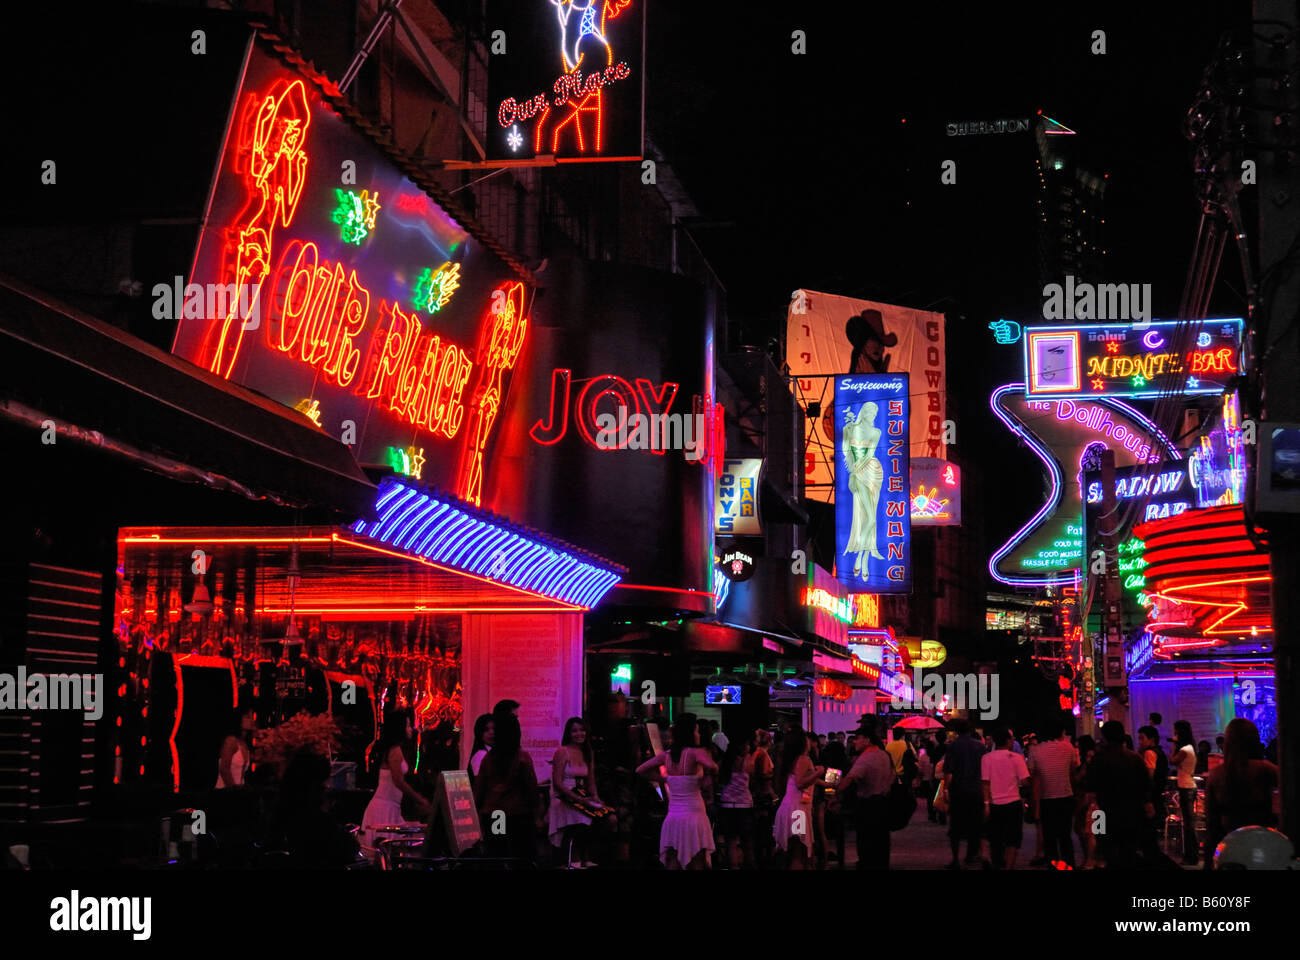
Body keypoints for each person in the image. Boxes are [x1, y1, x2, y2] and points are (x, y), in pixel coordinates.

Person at [637, 713, 716, 869]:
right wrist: (705, 777)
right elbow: (713, 766)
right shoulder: (696, 753)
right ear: (691, 732)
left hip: (674, 815)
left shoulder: (666, 755)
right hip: (695, 814)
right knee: (697, 859)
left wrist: (667, 779)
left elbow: (640, 770)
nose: (698, 734)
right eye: (697, 731)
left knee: (673, 859)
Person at [1203, 717, 1279, 870]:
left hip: (1229, 847)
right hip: (1264, 844)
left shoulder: (1217, 774)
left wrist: (1209, 859)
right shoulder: (1268, 770)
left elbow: (1212, 822)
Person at [268, 747, 360, 867]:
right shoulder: (315, 819)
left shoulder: (277, 813)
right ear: (315, 786)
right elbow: (350, 847)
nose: (327, 788)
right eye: (324, 784)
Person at [361, 709, 431, 860]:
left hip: (389, 805)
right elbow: (398, 781)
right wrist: (419, 798)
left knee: (386, 853)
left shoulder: (394, 749)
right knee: (386, 853)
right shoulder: (395, 751)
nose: (411, 729)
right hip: (384, 807)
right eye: (407, 725)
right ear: (399, 728)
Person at [474, 711, 540, 865]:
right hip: (518, 814)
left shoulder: (488, 758)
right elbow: (531, 788)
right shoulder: (522, 757)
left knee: (498, 854)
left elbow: (479, 790)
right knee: (521, 856)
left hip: (495, 813)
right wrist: (537, 815)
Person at [1085, 721, 1149, 870]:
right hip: (1132, 812)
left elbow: (1091, 791)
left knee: (1107, 850)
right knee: (1128, 851)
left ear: (1105, 737)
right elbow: (1145, 785)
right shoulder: (1135, 758)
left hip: (1103, 812)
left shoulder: (1098, 759)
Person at [549, 717, 609, 868]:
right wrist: (578, 799)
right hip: (564, 797)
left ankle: (585, 855)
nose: (579, 734)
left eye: (582, 730)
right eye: (574, 731)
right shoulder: (562, 751)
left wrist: (595, 797)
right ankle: (574, 858)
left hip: (583, 796)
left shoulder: (588, 752)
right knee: (583, 818)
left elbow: (591, 781)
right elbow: (557, 782)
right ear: (568, 733)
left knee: (609, 817)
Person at [838, 727, 893, 869]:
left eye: (858, 738)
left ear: (867, 740)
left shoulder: (866, 758)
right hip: (883, 802)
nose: (854, 741)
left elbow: (849, 778)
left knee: (866, 842)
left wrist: (835, 793)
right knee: (881, 842)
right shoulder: (884, 755)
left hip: (868, 805)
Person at [773, 723, 824, 869]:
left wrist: (824, 782)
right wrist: (818, 772)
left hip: (789, 808)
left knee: (792, 851)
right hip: (798, 812)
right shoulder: (803, 759)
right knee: (798, 852)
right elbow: (800, 782)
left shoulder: (791, 760)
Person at [1030, 722, 1078, 868]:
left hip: (1046, 799)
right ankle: (1069, 864)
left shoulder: (1035, 751)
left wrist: (1035, 807)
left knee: (1049, 837)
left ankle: (1054, 864)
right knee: (1065, 836)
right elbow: (1072, 770)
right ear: (1060, 732)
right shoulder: (1068, 748)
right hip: (1065, 796)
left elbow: (1034, 777)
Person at [982, 727, 1031, 870]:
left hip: (994, 803)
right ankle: (1009, 866)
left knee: (995, 839)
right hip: (1013, 803)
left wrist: (986, 804)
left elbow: (985, 783)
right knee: (1012, 840)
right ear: (1008, 741)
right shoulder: (1017, 758)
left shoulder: (986, 758)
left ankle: (997, 864)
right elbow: (1025, 781)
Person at [943, 719, 986, 869]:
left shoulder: (953, 746)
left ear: (956, 731)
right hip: (976, 790)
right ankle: (970, 855)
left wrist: (945, 790)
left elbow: (948, 770)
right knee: (975, 824)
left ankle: (955, 858)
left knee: (955, 826)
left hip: (958, 790)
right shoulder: (980, 746)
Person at [716, 736, 755, 869]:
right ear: (742, 747)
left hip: (727, 804)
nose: (749, 747)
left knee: (730, 841)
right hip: (744, 804)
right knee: (747, 841)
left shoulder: (724, 762)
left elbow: (718, 779)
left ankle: (734, 866)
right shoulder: (747, 761)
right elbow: (754, 775)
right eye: (747, 745)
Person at [1137, 725, 1170, 860]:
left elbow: (1148, 776)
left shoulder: (1150, 753)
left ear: (1152, 739)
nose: (1140, 741)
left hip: (1151, 796)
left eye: (1142, 738)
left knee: (1148, 829)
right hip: (1158, 793)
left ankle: (1151, 857)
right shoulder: (1160, 752)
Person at [1171, 720, 1199, 865]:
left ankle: (1191, 856)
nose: (1173, 733)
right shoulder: (1190, 748)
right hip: (1188, 786)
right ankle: (1191, 855)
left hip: (1186, 787)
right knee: (1189, 823)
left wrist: (1174, 745)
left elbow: (1172, 760)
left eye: (1175, 731)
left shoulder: (1184, 750)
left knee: (1189, 824)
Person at [750, 729, 777, 865]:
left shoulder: (758, 753)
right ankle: (765, 859)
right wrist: (774, 775)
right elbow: (763, 775)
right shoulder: (762, 754)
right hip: (764, 794)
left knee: (762, 827)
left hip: (761, 794)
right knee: (764, 827)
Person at [1072, 735, 1099, 869]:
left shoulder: (1089, 758)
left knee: (1090, 831)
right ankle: (1092, 859)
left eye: (1077, 746)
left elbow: (1081, 777)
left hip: (1090, 798)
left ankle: (1090, 860)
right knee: (1086, 830)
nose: (1075, 749)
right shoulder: (1089, 757)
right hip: (1087, 797)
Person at [216, 703, 255, 789]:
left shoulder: (244, 743)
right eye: (248, 717)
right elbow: (224, 769)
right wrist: (234, 791)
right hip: (225, 792)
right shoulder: (231, 741)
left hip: (238, 793)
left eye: (252, 717)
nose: (252, 720)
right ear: (239, 719)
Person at [467, 713, 494, 778]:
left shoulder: (494, 752)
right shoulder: (481, 755)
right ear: (479, 733)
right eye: (486, 730)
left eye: (494, 729)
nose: (491, 732)